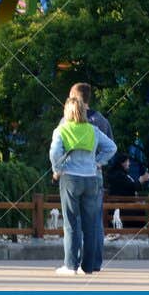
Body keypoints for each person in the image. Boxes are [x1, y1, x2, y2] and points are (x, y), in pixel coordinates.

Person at [49, 95, 116, 277]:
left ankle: (71, 265)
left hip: (71, 178)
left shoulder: (62, 130)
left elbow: (55, 153)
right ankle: (87, 267)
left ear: (67, 111)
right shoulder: (93, 130)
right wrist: (97, 162)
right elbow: (111, 147)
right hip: (92, 178)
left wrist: (58, 169)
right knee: (91, 223)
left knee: (71, 222)